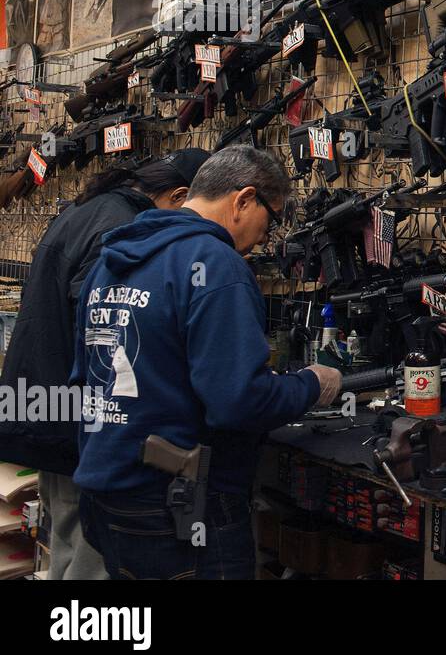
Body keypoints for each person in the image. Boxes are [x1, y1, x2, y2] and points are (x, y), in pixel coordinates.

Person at [71, 145, 341, 580]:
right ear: (244, 200)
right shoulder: (215, 264)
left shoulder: (112, 260)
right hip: (179, 507)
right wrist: (311, 383)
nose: (264, 239)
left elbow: (85, 376)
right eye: (270, 220)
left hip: (107, 495)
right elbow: (239, 403)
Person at [0, 149, 210, 580]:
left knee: (66, 540)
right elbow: (103, 330)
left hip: (46, 406)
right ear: (178, 195)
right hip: (74, 419)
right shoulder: (121, 225)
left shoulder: (90, 208)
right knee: (92, 554)